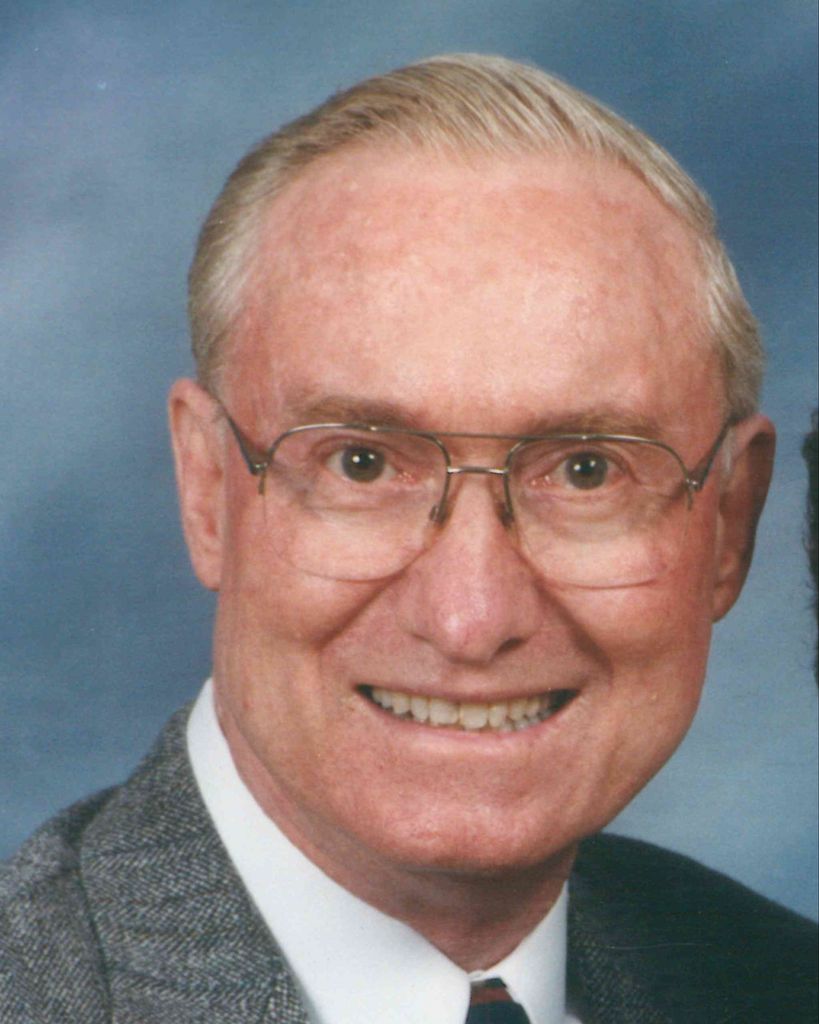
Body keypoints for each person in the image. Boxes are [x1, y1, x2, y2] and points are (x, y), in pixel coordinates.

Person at [1, 54, 815, 1023]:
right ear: (207, 488)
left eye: (586, 470)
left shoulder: (777, 981)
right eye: (361, 463)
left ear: (729, 523)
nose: (471, 618)